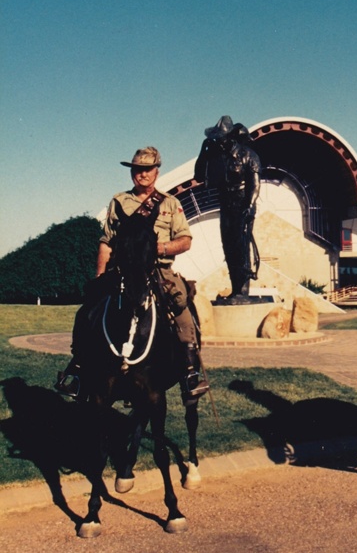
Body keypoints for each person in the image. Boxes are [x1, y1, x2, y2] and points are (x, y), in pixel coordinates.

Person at [56, 147, 207, 400]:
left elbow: (185, 240)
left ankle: (190, 373)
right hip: (122, 269)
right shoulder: (119, 201)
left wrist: (160, 248)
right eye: (137, 170)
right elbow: (106, 242)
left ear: (157, 172)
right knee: (87, 310)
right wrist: (100, 277)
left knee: (181, 304)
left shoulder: (170, 203)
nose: (142, 174)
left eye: (147, 169)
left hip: (158, 268)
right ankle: (79, 370)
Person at [194, 116, 261, 302]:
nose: (219, 142)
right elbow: (199, 175)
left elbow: (255, 185)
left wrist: (249, 206)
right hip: (226, 204)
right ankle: (235, 289)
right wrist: (203, 151)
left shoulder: (248, 155)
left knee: (241, 247)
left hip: (243, 204)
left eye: (222, 138)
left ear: (231, 137)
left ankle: (243, 291)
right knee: (228, 247)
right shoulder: (216, 156)